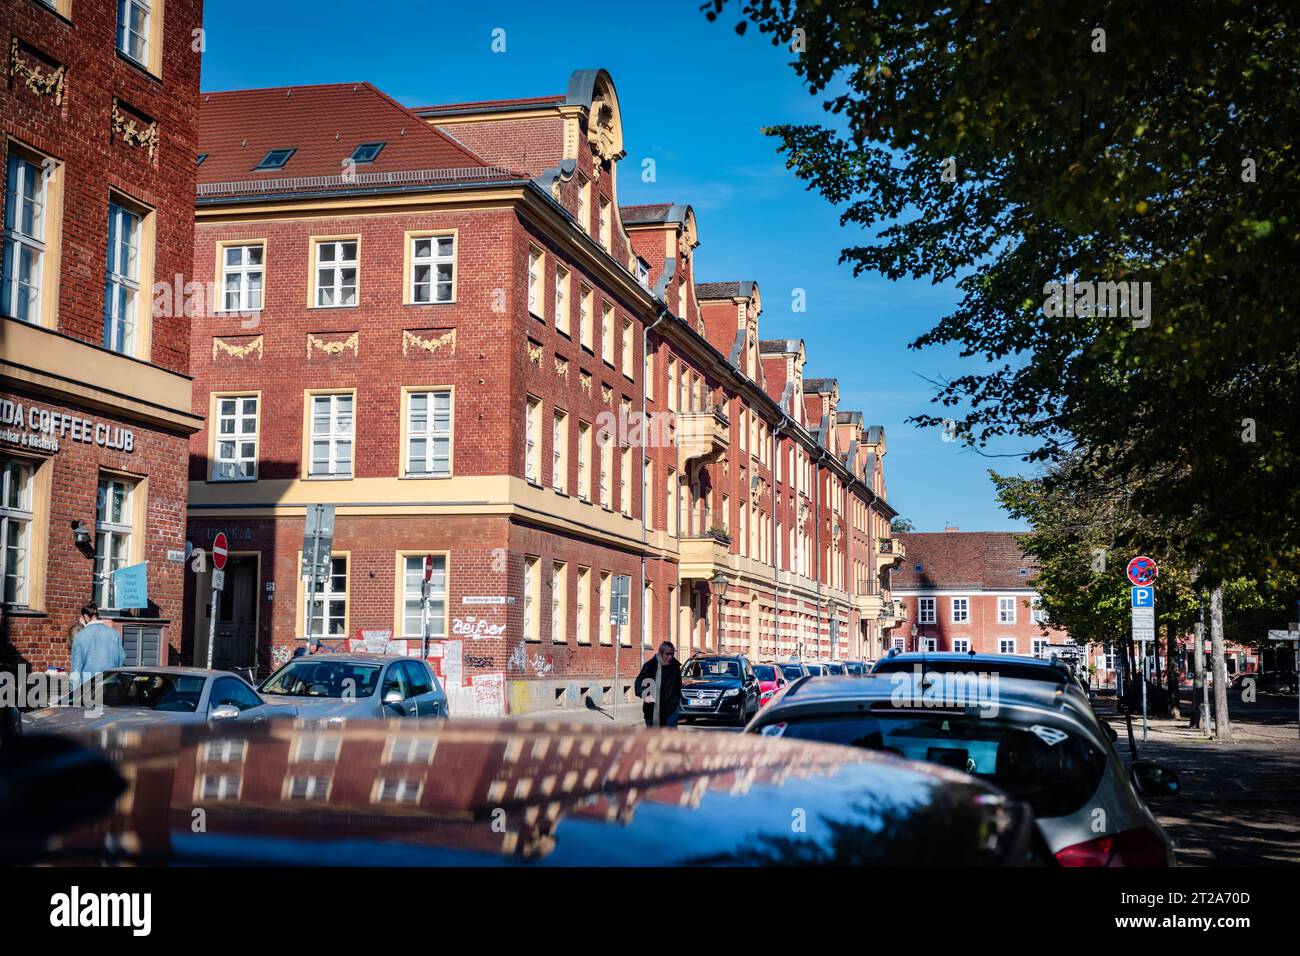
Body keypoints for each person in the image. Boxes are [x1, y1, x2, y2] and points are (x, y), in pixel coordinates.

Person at [69, 601, 123, 691]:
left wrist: (73, 693)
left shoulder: (80, 637)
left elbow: (76, 670)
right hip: (111, 685)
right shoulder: (114, 634)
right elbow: (121, 662)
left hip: (90, 687)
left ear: (85, 617)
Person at [635, 641, 682, 728]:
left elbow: (677, 685)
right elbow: (639, 683)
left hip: (670, 710)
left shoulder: (675, 667)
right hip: (652, 710)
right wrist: (644, 695)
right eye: (667, 654)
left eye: (672, 654)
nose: (670, 657)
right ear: (660, 653)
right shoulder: (650, 666)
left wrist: (676, 701)